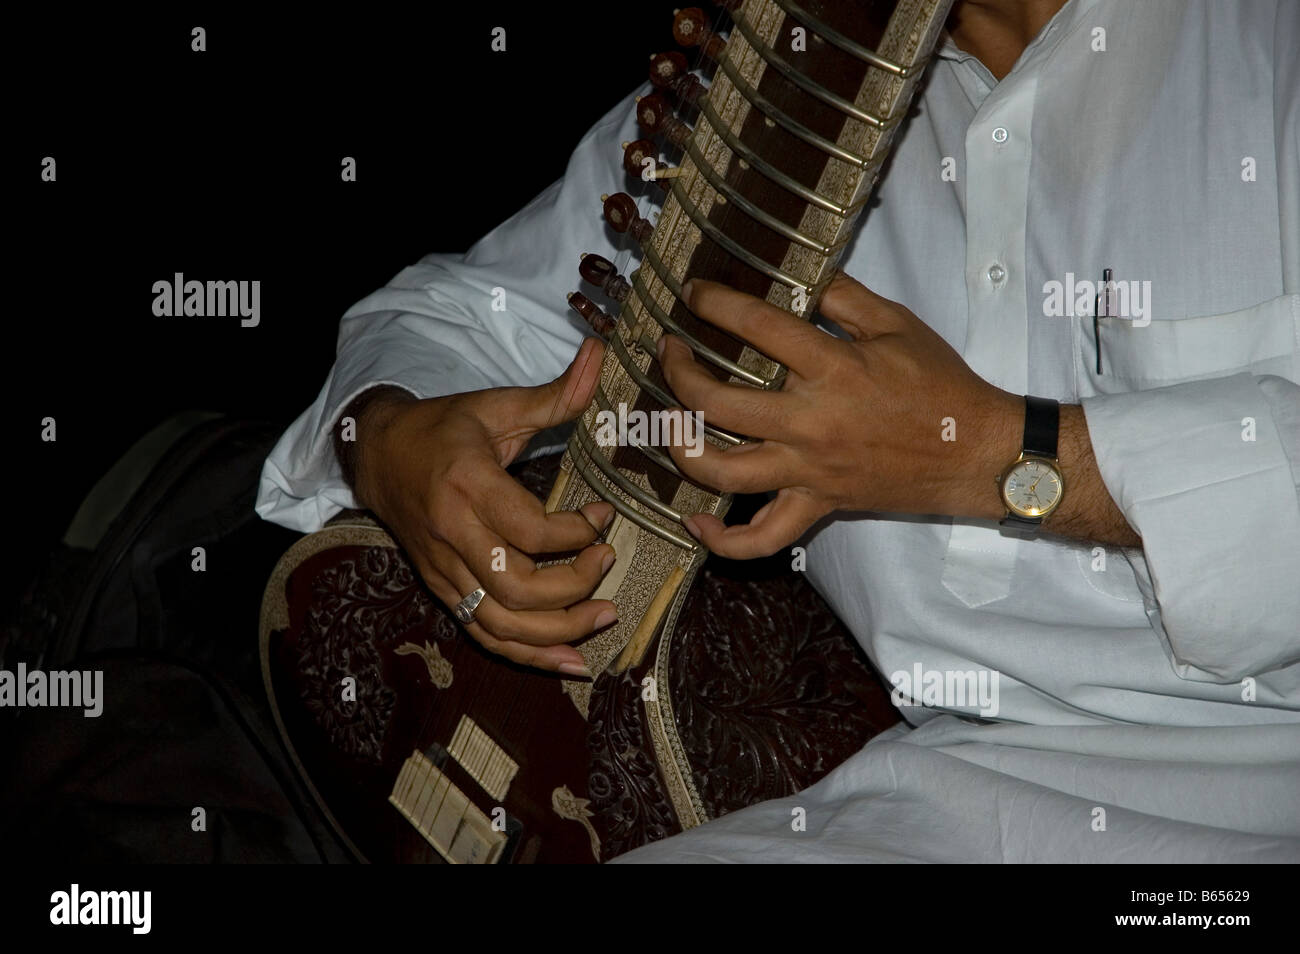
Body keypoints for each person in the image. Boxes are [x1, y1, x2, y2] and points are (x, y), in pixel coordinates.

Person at [257, 0, 1300, 862]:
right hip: (961, 791)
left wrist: (996, 457)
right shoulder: (793, 103)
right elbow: (444, 322)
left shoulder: (1260, 45)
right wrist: (389, 442)